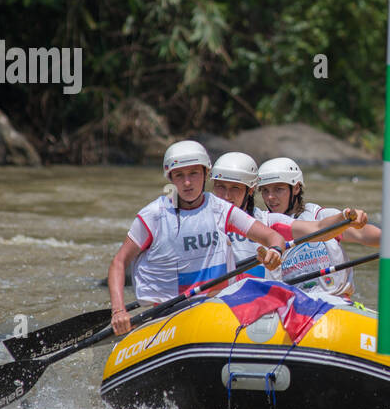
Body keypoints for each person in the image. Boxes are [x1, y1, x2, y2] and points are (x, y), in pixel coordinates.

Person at [108, 142, 365, 335]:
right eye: (221, 187)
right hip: (177, 312)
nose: (227, 196)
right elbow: (119, 262)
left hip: (231, 309)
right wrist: (119, 310)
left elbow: (313, 228)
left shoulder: (243, 216)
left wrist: (344, 217)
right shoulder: (154, 215)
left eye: (235, 189)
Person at [257, 157, 381, 303]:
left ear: (296, 188)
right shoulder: (261, 227)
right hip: (294, 307)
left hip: (335, 302)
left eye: (278, 189)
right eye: (265, 190)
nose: (270, 197)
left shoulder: (319, 216)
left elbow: (362, 234)